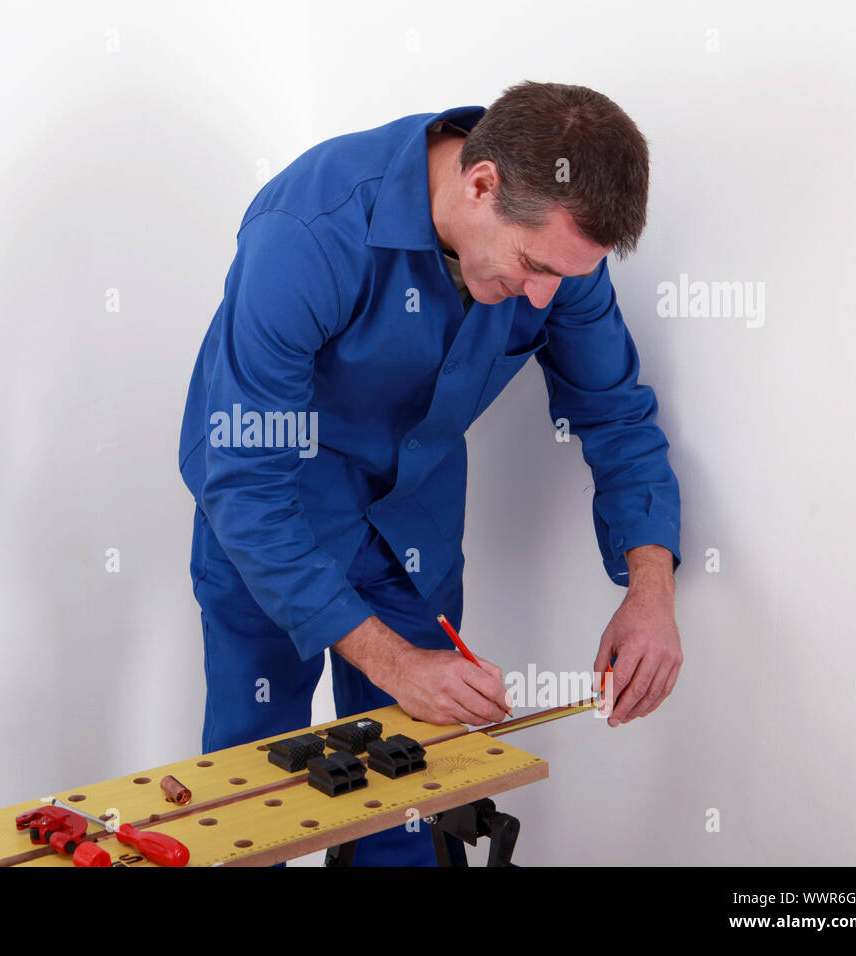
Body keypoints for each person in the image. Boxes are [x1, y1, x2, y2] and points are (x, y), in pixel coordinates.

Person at [177, 81, 683, 866]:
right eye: (534, 266)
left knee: (410, 802)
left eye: (567, 277)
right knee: (252, 800)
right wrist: (393, 663)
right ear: (480, 185)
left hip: (412, 530)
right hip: (272, 523)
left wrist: (651, 588)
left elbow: (615, 414)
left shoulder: (560, 259)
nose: (546, 296)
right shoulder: (306, 233)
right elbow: (244, 482)